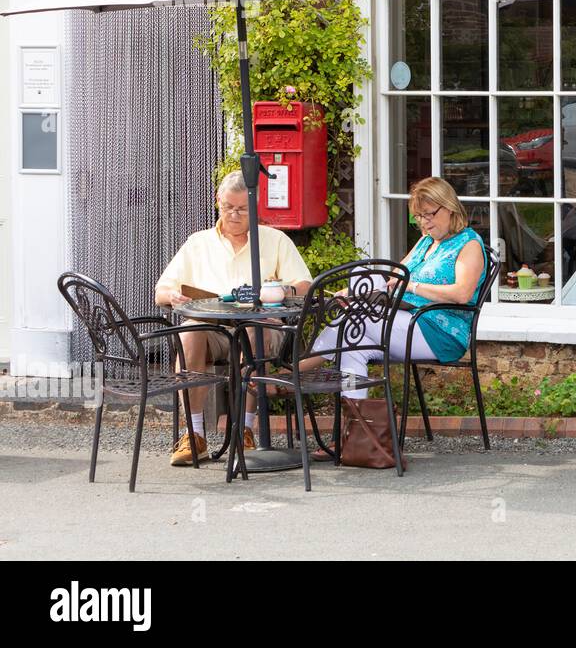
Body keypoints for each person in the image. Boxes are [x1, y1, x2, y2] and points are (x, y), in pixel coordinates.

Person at [155, 170, 312, 465]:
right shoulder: (198, 242)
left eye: (242, 208)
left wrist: (280, 288)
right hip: (214, 329)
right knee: (189, 332)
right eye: (228, 207)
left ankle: (246, 428)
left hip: (262, 327)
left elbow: (305, 286)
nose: (234, 215)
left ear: (255, 207)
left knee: (254, 332)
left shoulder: (274, 240)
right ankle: (195, 434)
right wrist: (172, 295)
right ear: (218, 203)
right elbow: (161, 290)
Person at [305, 177, 487, 400]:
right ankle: (357, 426)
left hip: (441, 334)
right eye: (419, 217)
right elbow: (394, 279)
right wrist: (353, 293)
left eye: (429, 214)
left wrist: (413, 286)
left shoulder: (469, 244)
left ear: (449, 207)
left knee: (350, 319)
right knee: (351, 347)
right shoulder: (426, 242)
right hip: (407, 322)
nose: (425, 223)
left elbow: (462, 294)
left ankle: (295, 370)